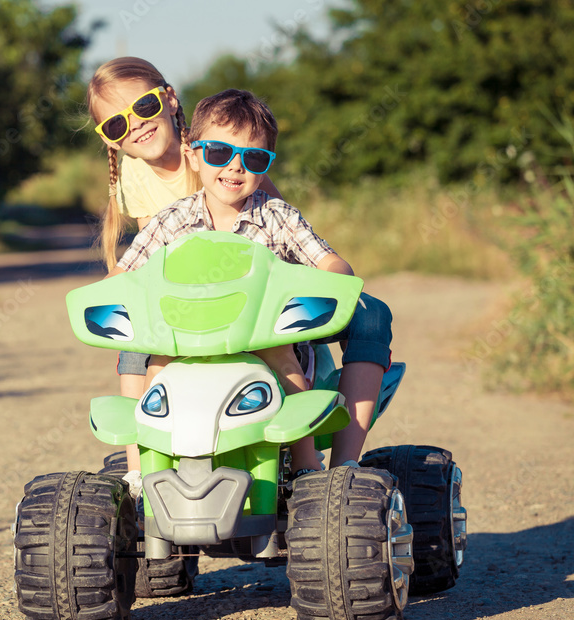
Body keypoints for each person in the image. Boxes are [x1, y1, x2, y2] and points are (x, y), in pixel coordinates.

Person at [110, 88, 393, 478]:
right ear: (194, 155)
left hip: (263, 335)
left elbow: (330, 262)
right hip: (188, 335)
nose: (234, 168)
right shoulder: (172, 221)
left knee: (282, 354)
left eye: (253, 157)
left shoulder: (278, 217)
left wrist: (330, 278)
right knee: (156, 363)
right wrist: (112, 289)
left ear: (266, 165)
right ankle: (146, 469)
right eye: (219, 153)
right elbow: (126, 270)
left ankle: (308, 463)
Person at [86, 58, 283, 490]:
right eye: (117, 125)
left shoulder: (221, 152)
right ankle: (141, 473)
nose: (135, 126)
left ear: (169, 98)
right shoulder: (134, 176)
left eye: (142, 108)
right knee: (137, 353)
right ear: (110, 140)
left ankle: (317, 462)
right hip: (180, 299)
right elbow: (147, 255)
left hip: (241, 291)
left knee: (345, 329)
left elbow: (275, 223)